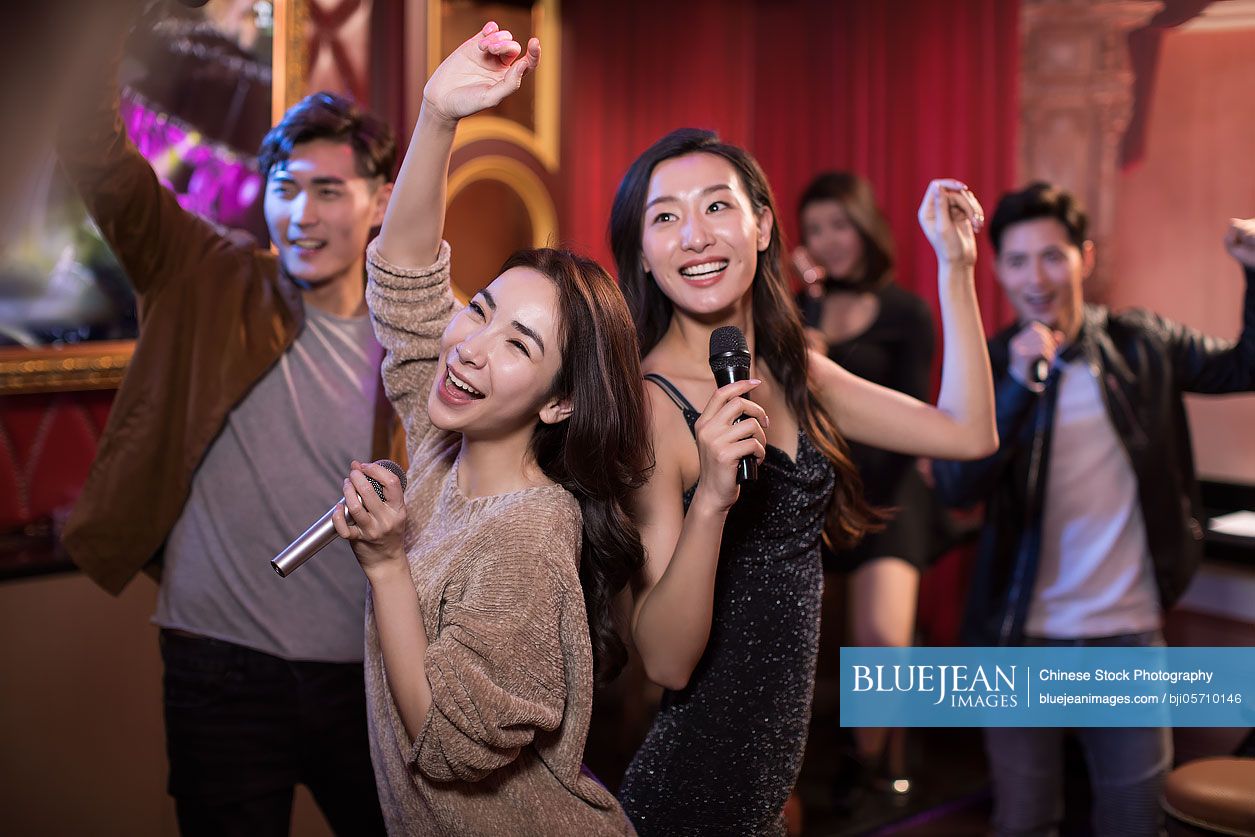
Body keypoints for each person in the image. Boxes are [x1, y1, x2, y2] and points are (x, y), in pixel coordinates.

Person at [58, 6, 397, 833]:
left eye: (328, 191)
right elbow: (94, 153)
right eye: (285, 190)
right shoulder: (202, 275)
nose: (302, 215)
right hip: (218, 668)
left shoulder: (420, 339)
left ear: (381, 201)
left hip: (368, 676)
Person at [608, 128, 999, 836]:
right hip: (691, 796)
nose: (693, 235)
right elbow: (665, 660)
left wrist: (954, 266)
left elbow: (968, 432)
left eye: (715, 207)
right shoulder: (649, 405)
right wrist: (711, 507)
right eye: (664, 216)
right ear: (641, 250)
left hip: (767, 794)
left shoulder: (797, 371)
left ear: (760, 226)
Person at [332, 23, 645, 836]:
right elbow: (402, 286)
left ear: (559, 403)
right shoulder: (442, 450)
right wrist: (438, 113)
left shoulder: (531, 530)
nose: (470, 346)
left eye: (520, 344)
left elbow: (445, 746)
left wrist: (386, 561)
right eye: (479, 310)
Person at [932, 181, 1255, 837]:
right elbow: (954, 485)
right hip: (1017, 640)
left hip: (1126, 634)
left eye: (1051, 255)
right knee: (1023, 819)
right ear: (994, 268)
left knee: (1134, 819)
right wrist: (1017, 388)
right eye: (1016, 260)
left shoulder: (1142, 343)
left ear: (1082, 256)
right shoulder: (989, 361)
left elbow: (1242, 365)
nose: (1035, 277)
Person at [794, 171, 937, 800]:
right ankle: (781, 766)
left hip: (887, 492)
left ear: (865, 225)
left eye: (840, 225)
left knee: (881, 637)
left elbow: (915, 416)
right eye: (815, 229)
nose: (828, 240)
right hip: (812, 494)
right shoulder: (798, 310)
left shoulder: (907, 312)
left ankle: (867, 762)